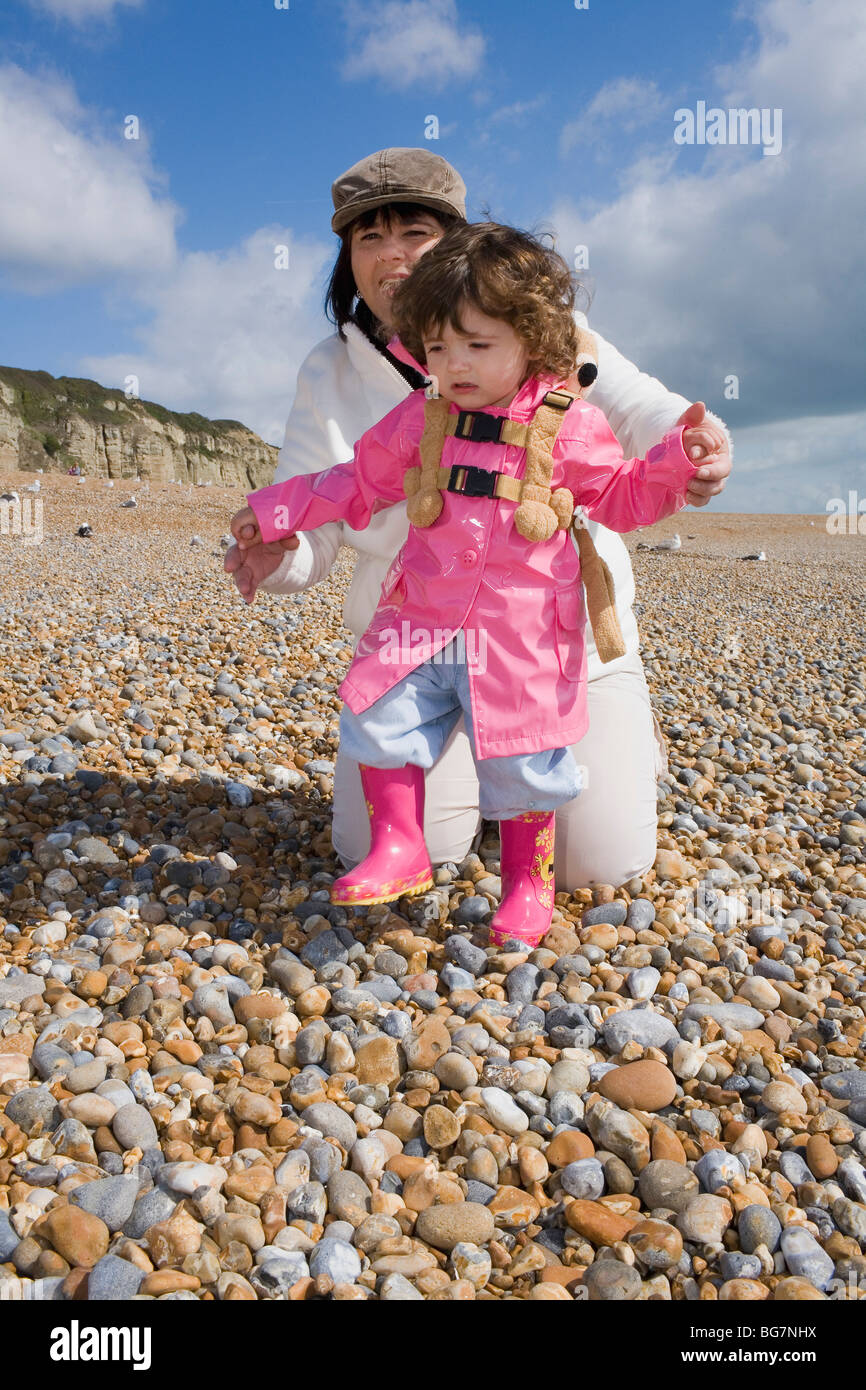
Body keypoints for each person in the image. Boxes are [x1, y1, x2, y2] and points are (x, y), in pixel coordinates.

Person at [224, 148, 733, 889]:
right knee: (390, 847)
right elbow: (322, 504)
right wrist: (283, 553)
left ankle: (602, 741)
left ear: (461, 246)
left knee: (600, 867)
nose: (392, 256)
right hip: (418, 637)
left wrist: (694, 448)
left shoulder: (553, 334)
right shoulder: (329, 370)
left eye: (414, 233)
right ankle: (473, 771)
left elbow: (641, 410)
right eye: (369, 238)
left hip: (554, 641)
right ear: (347, 258)